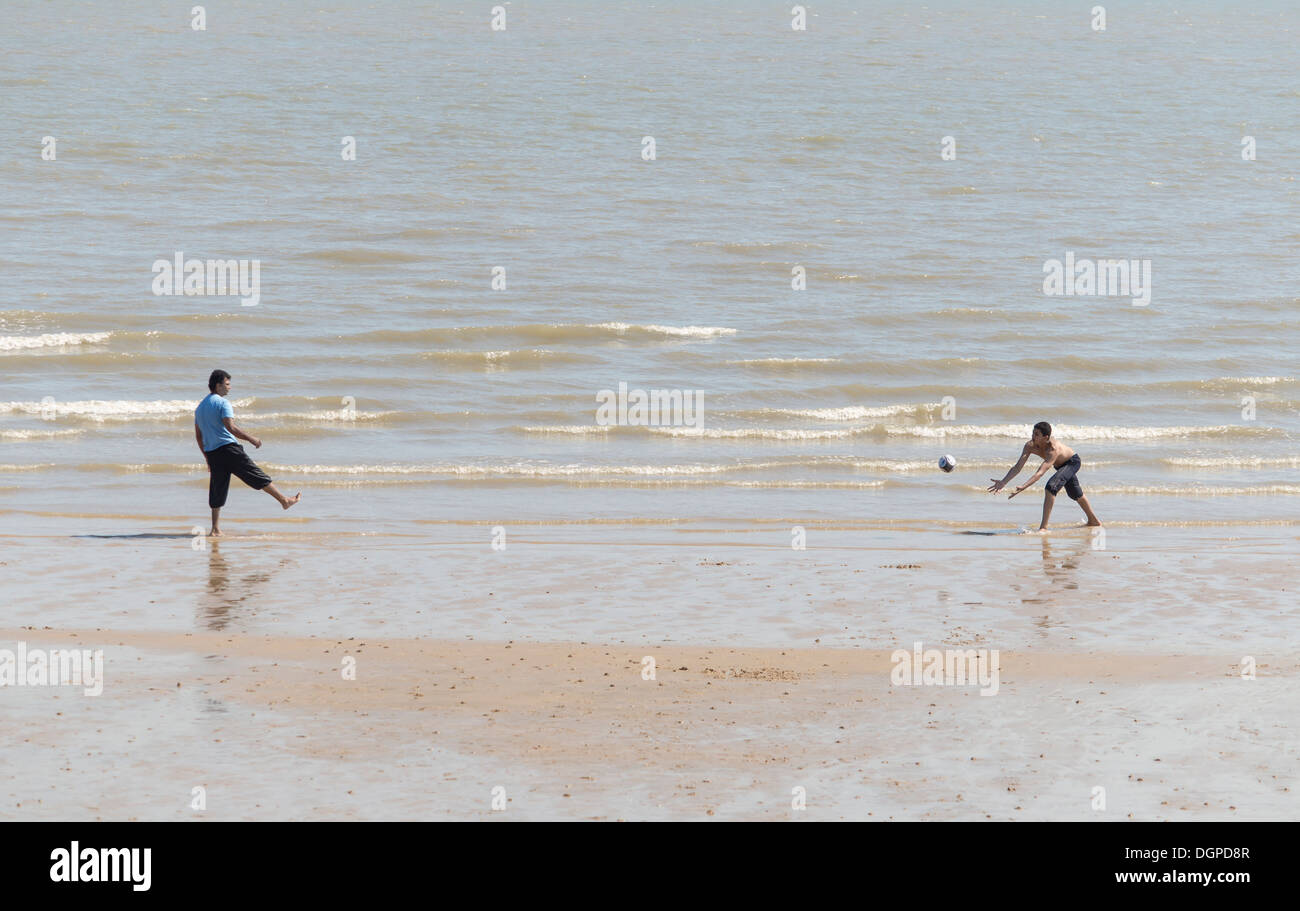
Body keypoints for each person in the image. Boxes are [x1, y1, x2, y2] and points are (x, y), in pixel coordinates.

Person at [194, 369, 300, 535]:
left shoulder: (200, 408)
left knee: (217, 488)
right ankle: (284, 500)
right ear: (218, 385)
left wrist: (207, 457)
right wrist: (252, 439)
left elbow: (199, 437)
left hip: (213, 453)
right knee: (255, 474)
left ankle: (215, 528)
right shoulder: (222, 403)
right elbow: (231, 427)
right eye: (227, 384)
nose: (229, 388)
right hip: (229, 449)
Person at [988, 421, 1100, 531]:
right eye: (1033, 433)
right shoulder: (1029, 446)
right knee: (1074, 493)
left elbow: (1040, 473)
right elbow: (1018, 467)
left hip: (1072, 462)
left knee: (1051, 487)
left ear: (1046, 437)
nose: (1033, 436)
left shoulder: (1053, 449)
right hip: (1059, 466)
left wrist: (1024, 486)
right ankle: (1093, 521)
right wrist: (1003, 482)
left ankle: (1043, 528)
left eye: (1037, 434)